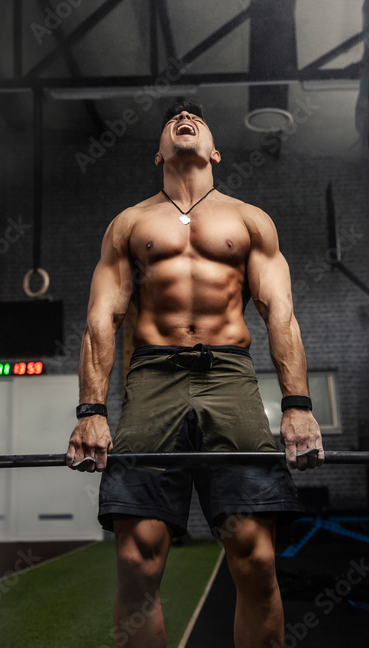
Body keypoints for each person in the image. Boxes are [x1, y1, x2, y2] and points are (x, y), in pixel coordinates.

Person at [66, 99, 323, 648]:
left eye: (198, 120)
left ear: (215, 151)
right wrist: (91, 411)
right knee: (137, 563)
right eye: (173, 119)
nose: (186, 119)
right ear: (159, 151)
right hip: (152, 378)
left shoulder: (250, 220)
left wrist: (297, 407)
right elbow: (100, 318)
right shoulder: (130, 223)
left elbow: (280, 312)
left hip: (229, 375)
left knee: (254, 557)